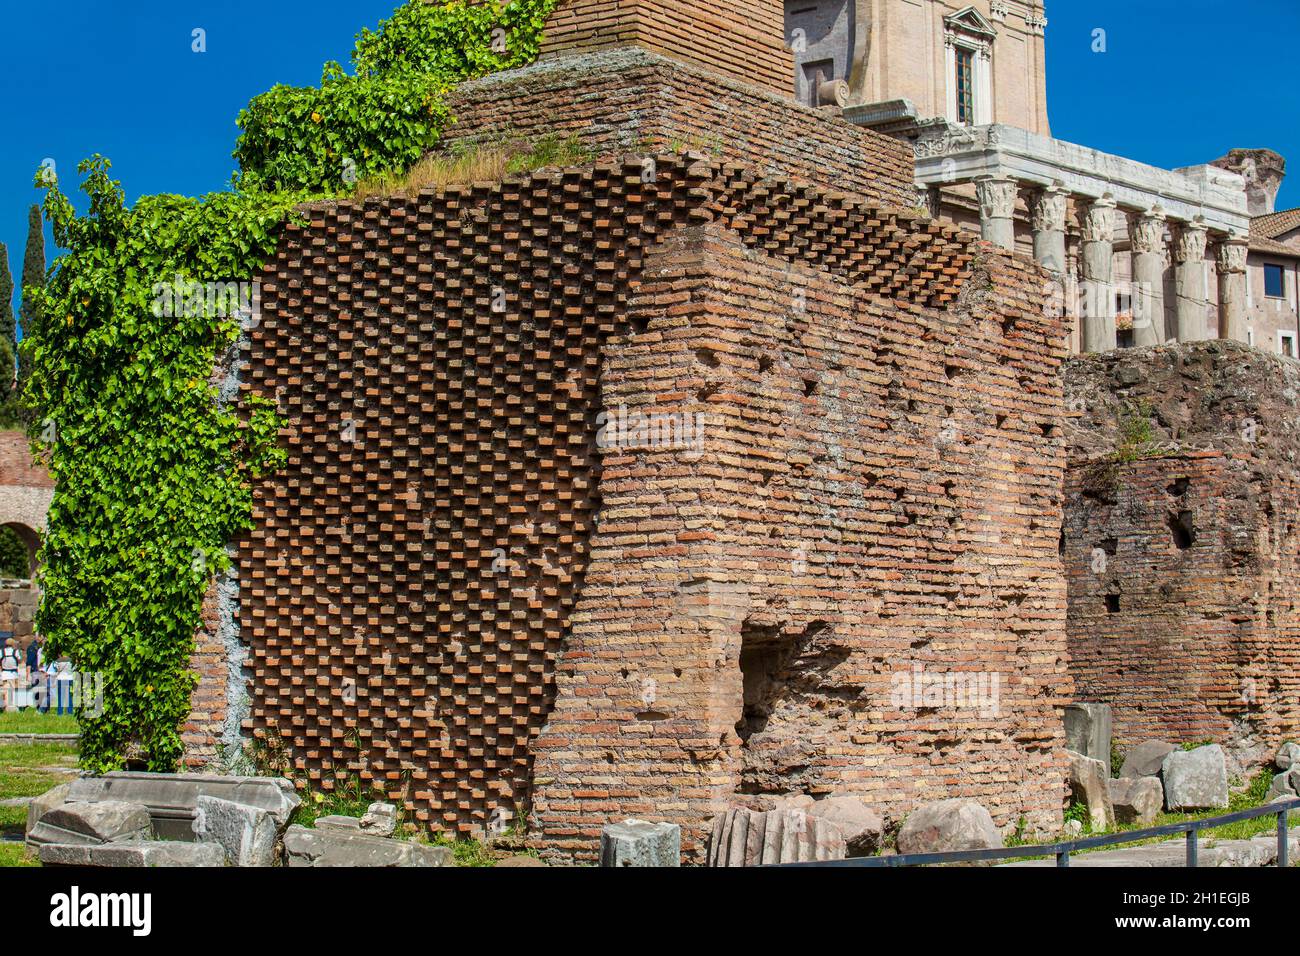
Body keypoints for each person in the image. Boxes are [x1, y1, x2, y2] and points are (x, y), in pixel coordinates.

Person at [0, 638, 22, 712]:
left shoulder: (1, 652)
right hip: (13, 674)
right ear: (13, 644)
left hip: (4, 675)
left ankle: (5, 707)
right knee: (13, 692)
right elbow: (20, 660)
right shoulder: (16, 652)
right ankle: (13, 707)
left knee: (5, 692)